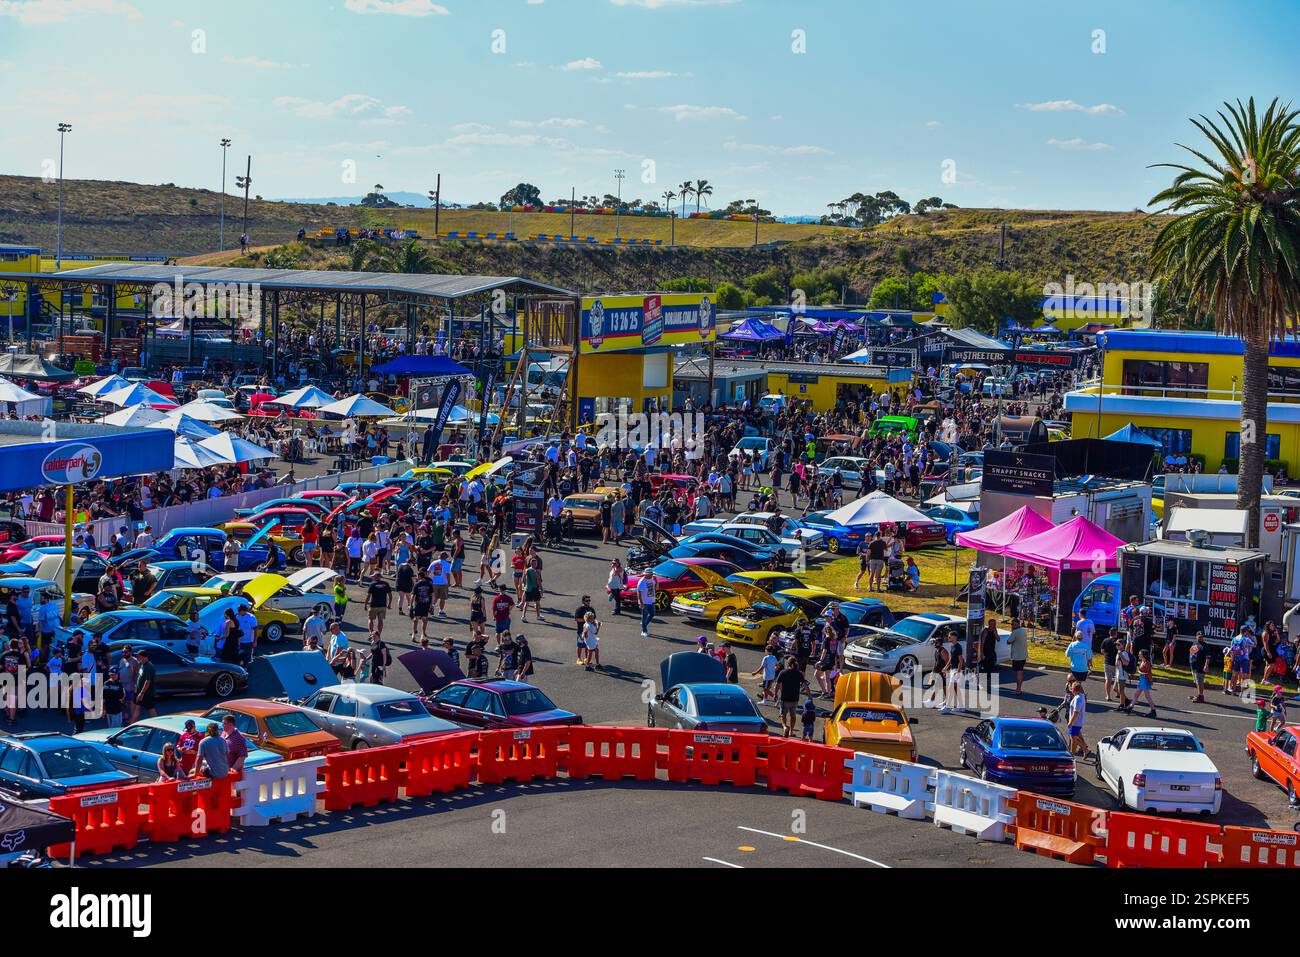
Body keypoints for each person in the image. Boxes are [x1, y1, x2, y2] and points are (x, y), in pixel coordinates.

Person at [774, 656, 808, 738]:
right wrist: (809, 695)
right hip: (795, 699)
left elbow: (777, 685)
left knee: (783, 714)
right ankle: (791, 731)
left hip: (784, 698)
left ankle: (785, 727)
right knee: (793, 715)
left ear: (788, 664)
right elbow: (805, 685)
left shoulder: (783, 672)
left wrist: (775, 694)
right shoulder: (798, 673)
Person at [1065, 678, 1089, 758]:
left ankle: (1085, 749)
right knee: (1074, 738)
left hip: (1076, 722)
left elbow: (1076, 712)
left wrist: (1070, 722)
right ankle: (1073, 753)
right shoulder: (1080, 696)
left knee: (1073, 738)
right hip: (1077, 722)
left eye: (1071, 688)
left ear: (1074, 690)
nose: (1071, 690)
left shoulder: (1078, 699)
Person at [1130, 649, 1157, 717]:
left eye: (1140, 654)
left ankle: (1153, 711)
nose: (1139, 655)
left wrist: (1141, 673)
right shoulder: (1142, 661)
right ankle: (1130, 707)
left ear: (1144, 655)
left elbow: (1149, 673)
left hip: (1145, 680)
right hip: (1142, 680)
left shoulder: (1147, 663)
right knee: (1136, 694)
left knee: (1147, 696)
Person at [134, 647, 157, 719]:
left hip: (147, 693)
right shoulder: (142, 665)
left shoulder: (149, 667)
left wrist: (141, 693)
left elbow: (148, 681)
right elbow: (141, 677)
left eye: (139, 656)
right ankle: (132, 725)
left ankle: (156, 724)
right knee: (137, 708)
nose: (137, 658)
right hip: (140, 692)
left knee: (151, 710)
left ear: (145, 657)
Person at [1006, 617, 1028, 694]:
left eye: (1014, 624)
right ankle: (1019, 688)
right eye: (1012, 624)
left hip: (1017, 656)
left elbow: (1008, 641)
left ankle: (1018, 690)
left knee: (1018, 672)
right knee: (1020, 671)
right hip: (1023, 655)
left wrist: (1012, 632)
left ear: (1018, 624)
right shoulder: (1023, 630)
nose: (1012, 626)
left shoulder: (1015, 632)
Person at [1187, 631, 1208, 704]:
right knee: (1196, 681)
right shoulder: (1194, 643)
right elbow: (1192, 653)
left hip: (1200, 666)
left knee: (1200, 681)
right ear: (1196, 637)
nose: (1200, 638)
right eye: (1199, 637)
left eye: (1201, 637)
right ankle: (1198, 695)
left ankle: (1201, 697)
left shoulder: (1205, 646)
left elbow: (1208, 657)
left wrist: (1206, 665)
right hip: (1194, 665)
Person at [636, 571, 656, 638]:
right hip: (644, 602)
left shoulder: (652, 579)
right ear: (646, 574)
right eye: (651, 574)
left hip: (651, 601)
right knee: (644, 616)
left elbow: (656, 589)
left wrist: (657, 581)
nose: (652, 575)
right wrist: (641, 603)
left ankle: (644, 624)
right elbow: (639, 593)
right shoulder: (642, 581)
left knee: (652, 614)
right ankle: (644, 631)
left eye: (652, 574)